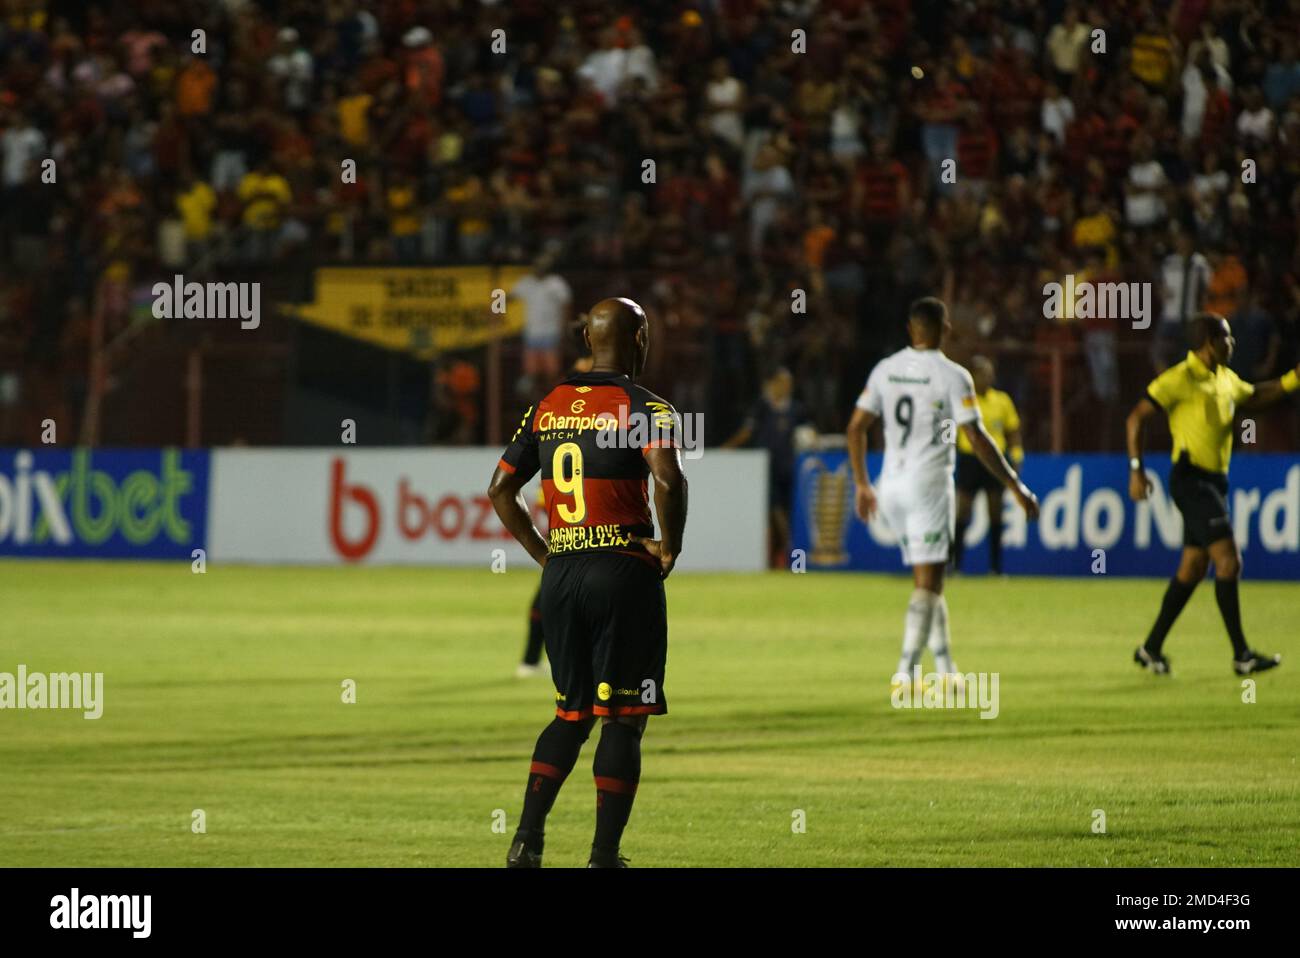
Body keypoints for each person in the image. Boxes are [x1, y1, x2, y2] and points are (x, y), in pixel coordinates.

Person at [488, 298, 687, 868]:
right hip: (622, 571)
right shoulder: (645, 406)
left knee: (569, 715)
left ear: (586, 337)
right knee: (623, 718)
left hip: (564, 575)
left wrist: (546, 557)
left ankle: (526, 841)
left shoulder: (547, 405)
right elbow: (669, 481)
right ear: (640, 340)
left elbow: (500, 490)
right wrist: (669, 546)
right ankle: (603, 856)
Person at [846, 298, 1039, 687]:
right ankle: (906, 671)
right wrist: (1014, 484)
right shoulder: (954, 375)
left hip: (890, 486)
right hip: (928, 486)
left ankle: (947, 669)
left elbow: (855, 428)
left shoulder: (885, 369)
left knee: (932, 580)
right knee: (928, 584)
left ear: (909, 329)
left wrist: (862, 484)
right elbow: (976, 437)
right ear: (945, 329)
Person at [1126, 313, 1297, 676]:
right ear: (1207, 341)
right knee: (1229, 561)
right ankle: (1242, 655)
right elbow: (1136, 417)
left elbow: (1254, 396)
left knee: (1193, 567)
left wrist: (1292, 379)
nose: (1232, 343)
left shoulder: (1224, 378)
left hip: (1215, 481)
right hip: (1191, 480)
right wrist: (1137, 469)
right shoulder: (1180, 378)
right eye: (1226, 337)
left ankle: (1151, 648)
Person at [952, 356, 1024, 574]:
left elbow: (1013, 432)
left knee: (996, 511)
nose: (989, 376)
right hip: (969, 458)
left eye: (990, 372)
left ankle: (995, 567)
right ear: (973, 376)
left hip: (995, 459)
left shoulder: (1002, 400)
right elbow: (949, 429)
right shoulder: (963, 400)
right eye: (984, 372)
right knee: (962, 510)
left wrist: (1016, 456)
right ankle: (955, 566)